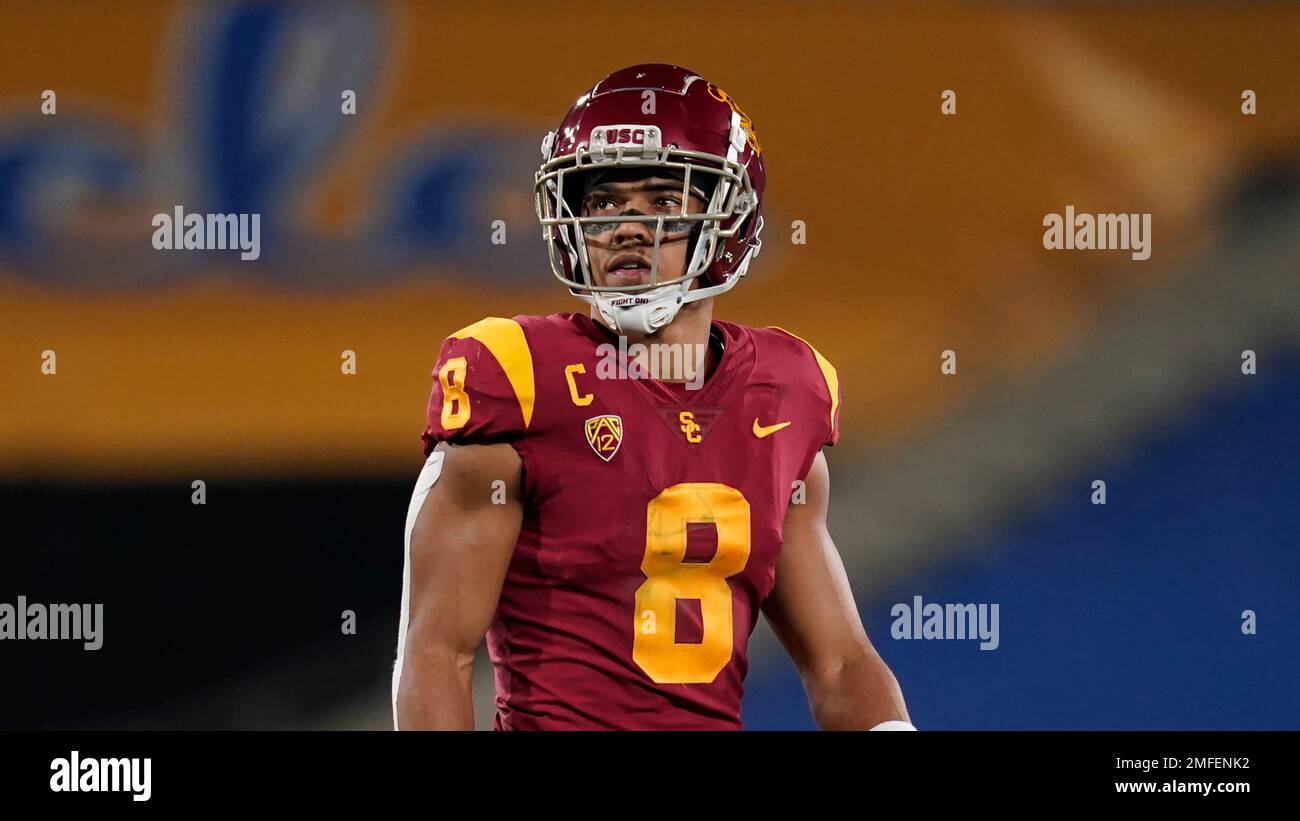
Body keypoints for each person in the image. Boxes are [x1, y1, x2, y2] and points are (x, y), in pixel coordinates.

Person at [393, 63, 911, 730]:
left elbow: (840, 664)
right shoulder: (519, 377)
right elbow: (436, 652)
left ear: (728, 224)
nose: (627, 226)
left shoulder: (785, 391)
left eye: (664, 201)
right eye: (603, 202)